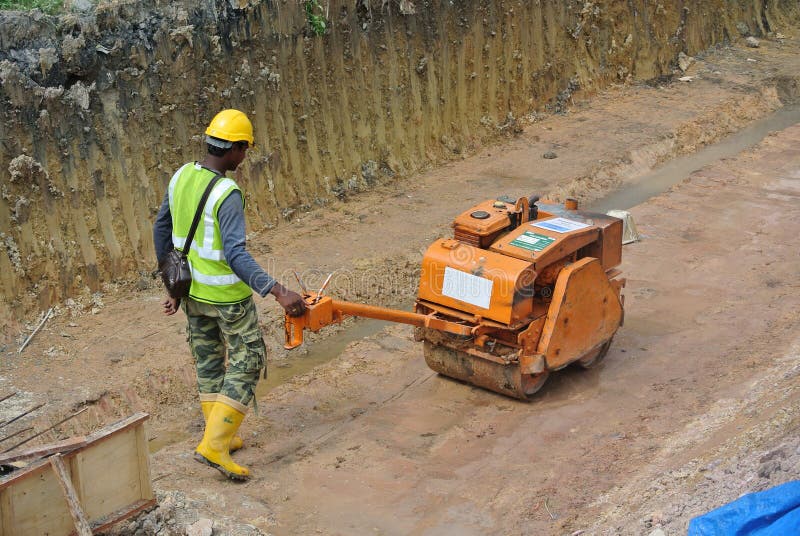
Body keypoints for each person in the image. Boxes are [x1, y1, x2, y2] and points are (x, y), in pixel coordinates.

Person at [152, 109, 307, 480]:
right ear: (235, 148)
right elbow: (235, 255)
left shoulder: (181, 175)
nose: (245, 157)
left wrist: (172, 286)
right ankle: (215, 445)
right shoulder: (228, 193)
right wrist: (278, 291)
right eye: (245, 149)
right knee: (248, 360)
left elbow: (161, 229)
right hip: (228, 301)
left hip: (192, 295)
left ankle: (220, 435)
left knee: (208, 361)